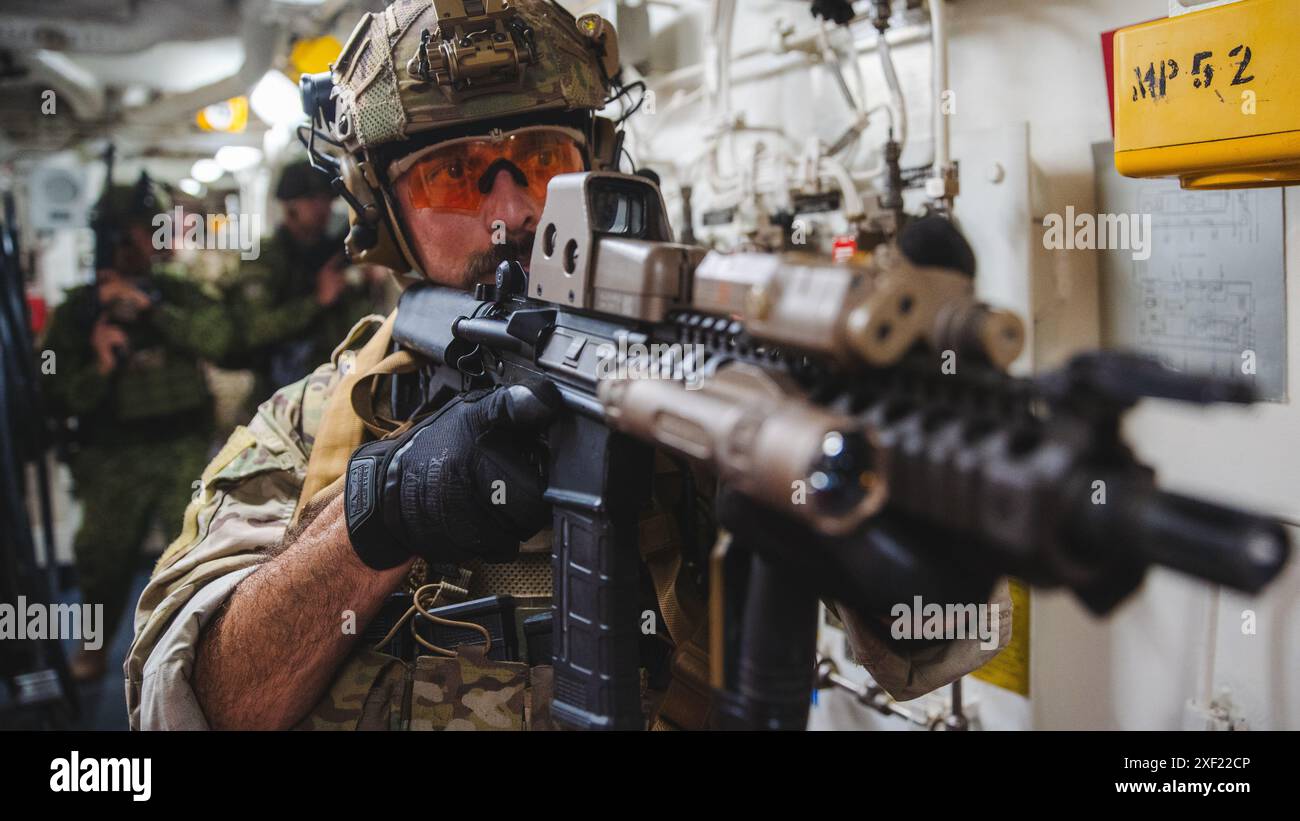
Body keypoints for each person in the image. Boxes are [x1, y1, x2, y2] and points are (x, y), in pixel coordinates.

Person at [126, 0, 1009, 730]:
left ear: (598, 164)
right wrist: (380, 509)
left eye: (545, 160)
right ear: (383, 211)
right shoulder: (320, 421)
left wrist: (926, 496)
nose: (513, 211)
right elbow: (188, 706)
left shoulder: (686, 395)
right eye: (453, 176)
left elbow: (925, 648)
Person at [42, 173, 234, 680]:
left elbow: (220, 341)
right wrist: (101, 362)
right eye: (140, 232)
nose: (152, 242)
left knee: (193, 556)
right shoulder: (79, 310)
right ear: (117, 237)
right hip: (113, 454)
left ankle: (190, 659)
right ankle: (92, 650)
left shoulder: (178, 293)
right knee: (101, 559)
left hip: (182, 445)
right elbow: (54, 392)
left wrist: (153, 310)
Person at [222, 160, 376, 409]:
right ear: (289, 205)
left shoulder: (336, 250)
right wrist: (317, 300)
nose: (322, 207)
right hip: (278, 397)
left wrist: (366, 284)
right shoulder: (265, 257)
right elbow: (253, 330)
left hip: (336, 386)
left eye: (326, 199)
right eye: (312, 200)